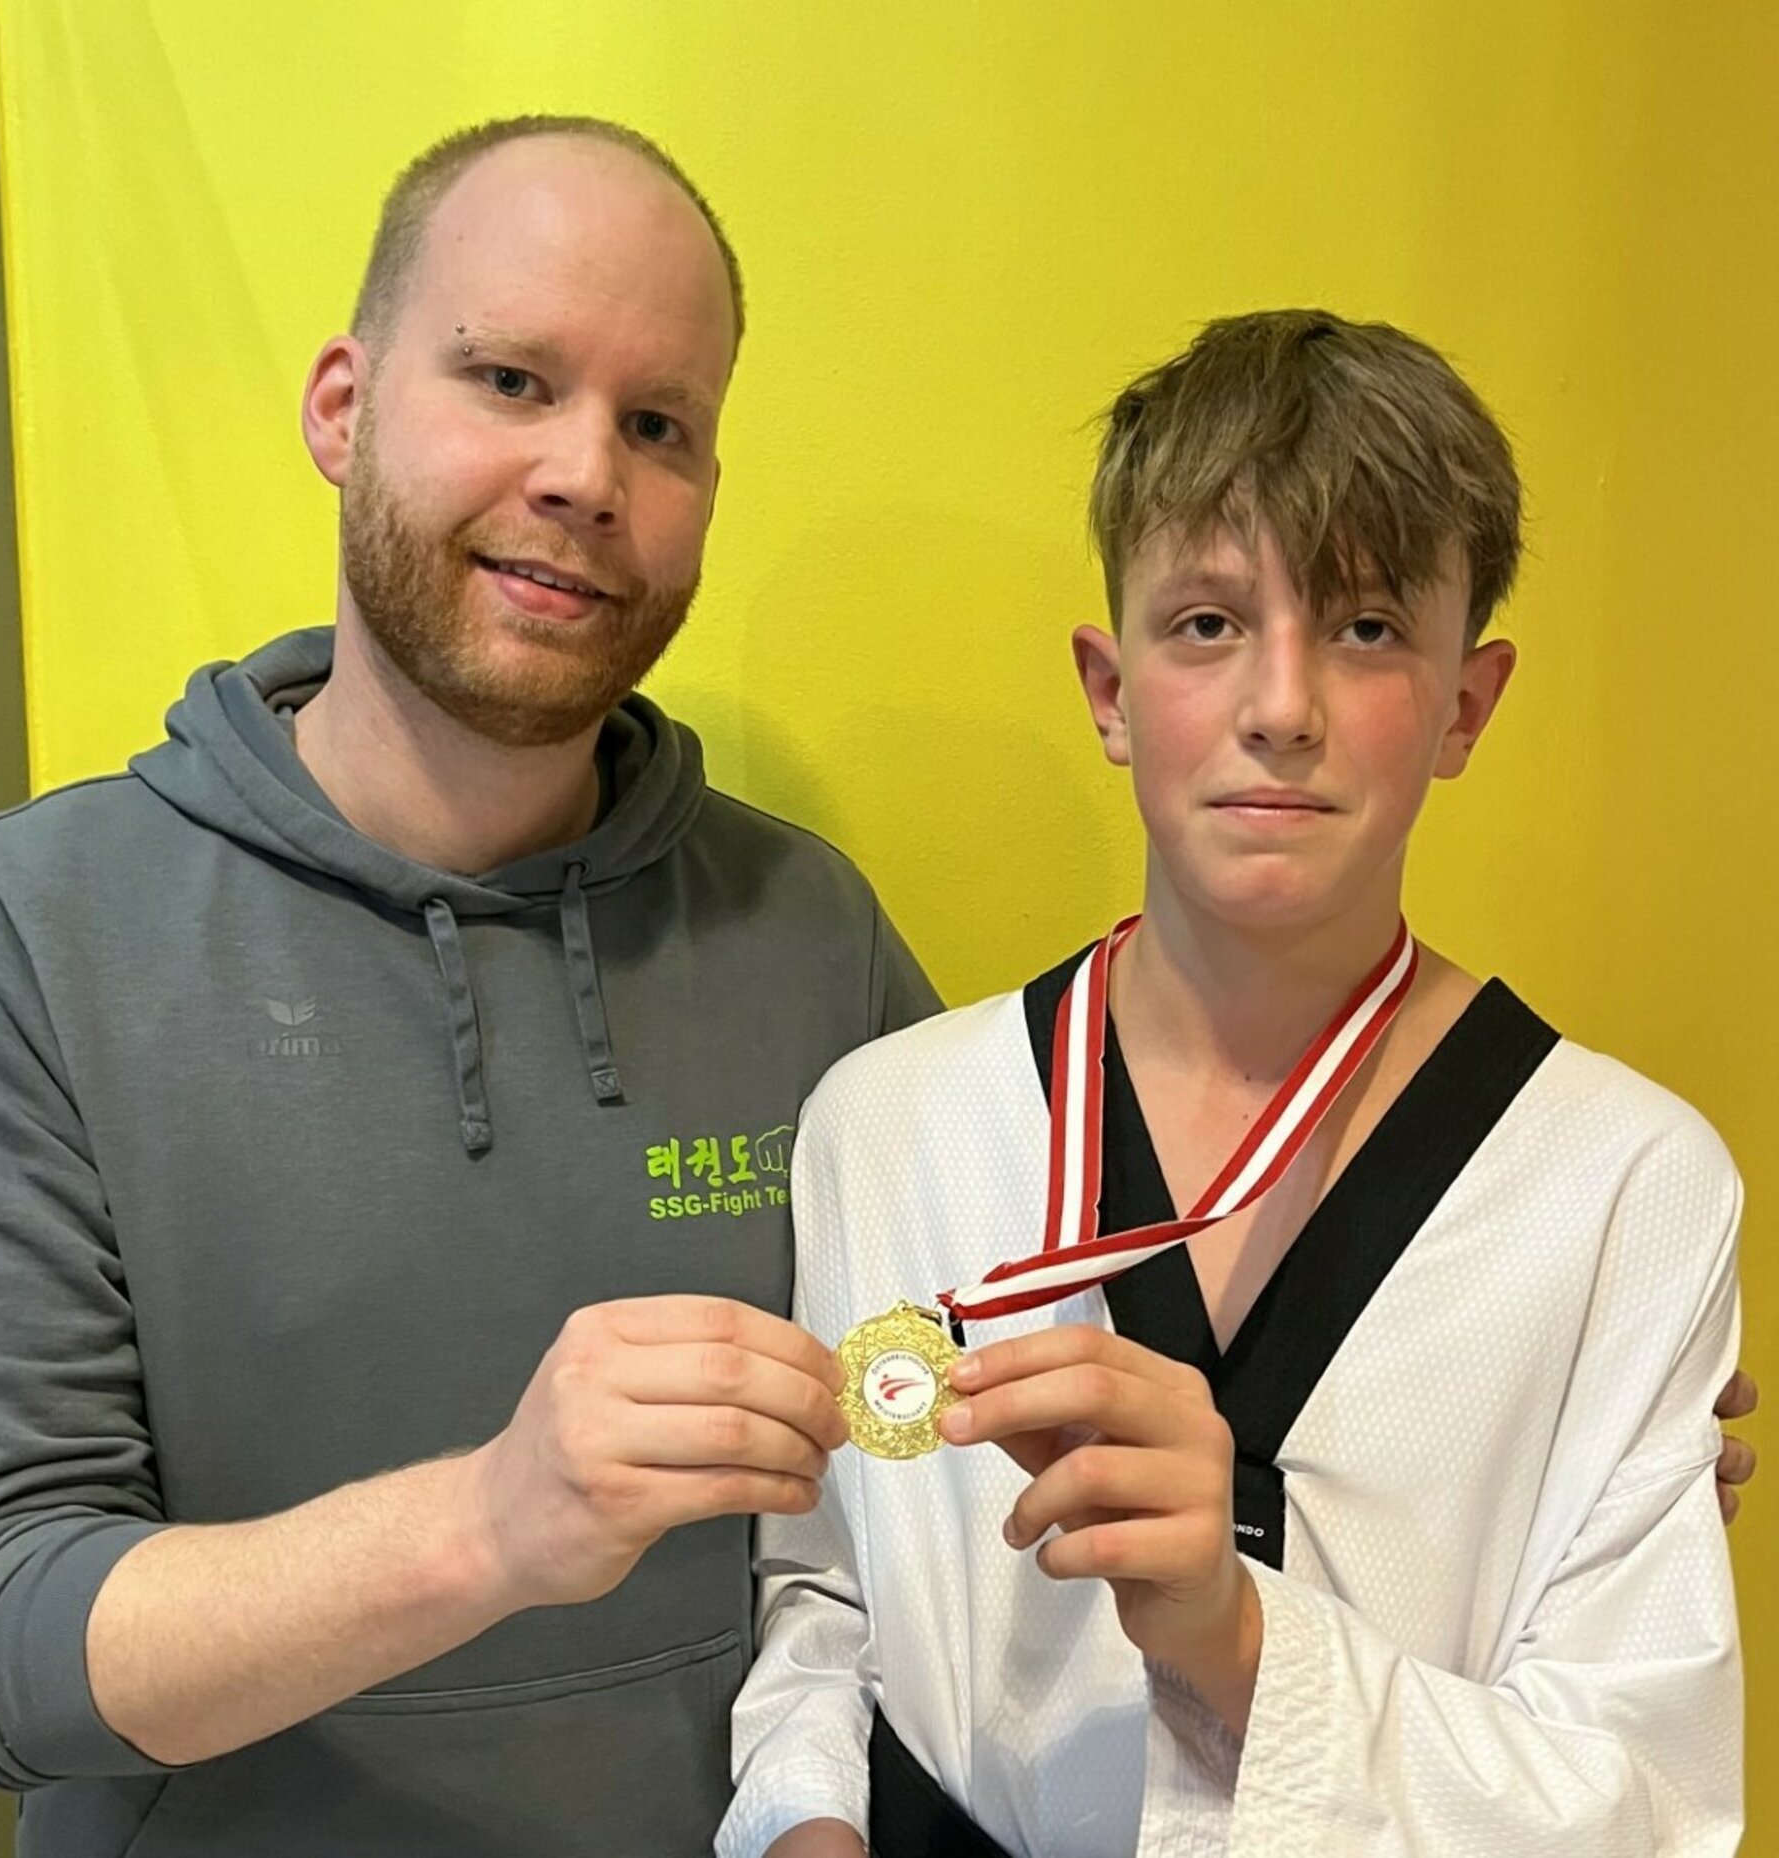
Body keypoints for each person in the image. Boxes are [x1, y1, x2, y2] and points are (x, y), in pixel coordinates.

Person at [0, 117, 934, 1857]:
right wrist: (491, 1524)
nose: (586, 473)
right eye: (511, 378)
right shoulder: (18, 940)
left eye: (660, 425)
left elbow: (910, 1492)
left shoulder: (811, 932)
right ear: (342, 407)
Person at [721, 311, 1745, 1856]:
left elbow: (1652, 1805)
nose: (1282, 704)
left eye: (1369, 629)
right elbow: (820, 1588)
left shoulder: (1630, 1189)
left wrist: (1240, 1635)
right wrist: (807, 1823)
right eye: (1206, 623)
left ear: (1469, 702)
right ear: (1110, 685)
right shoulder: (891, 1123)